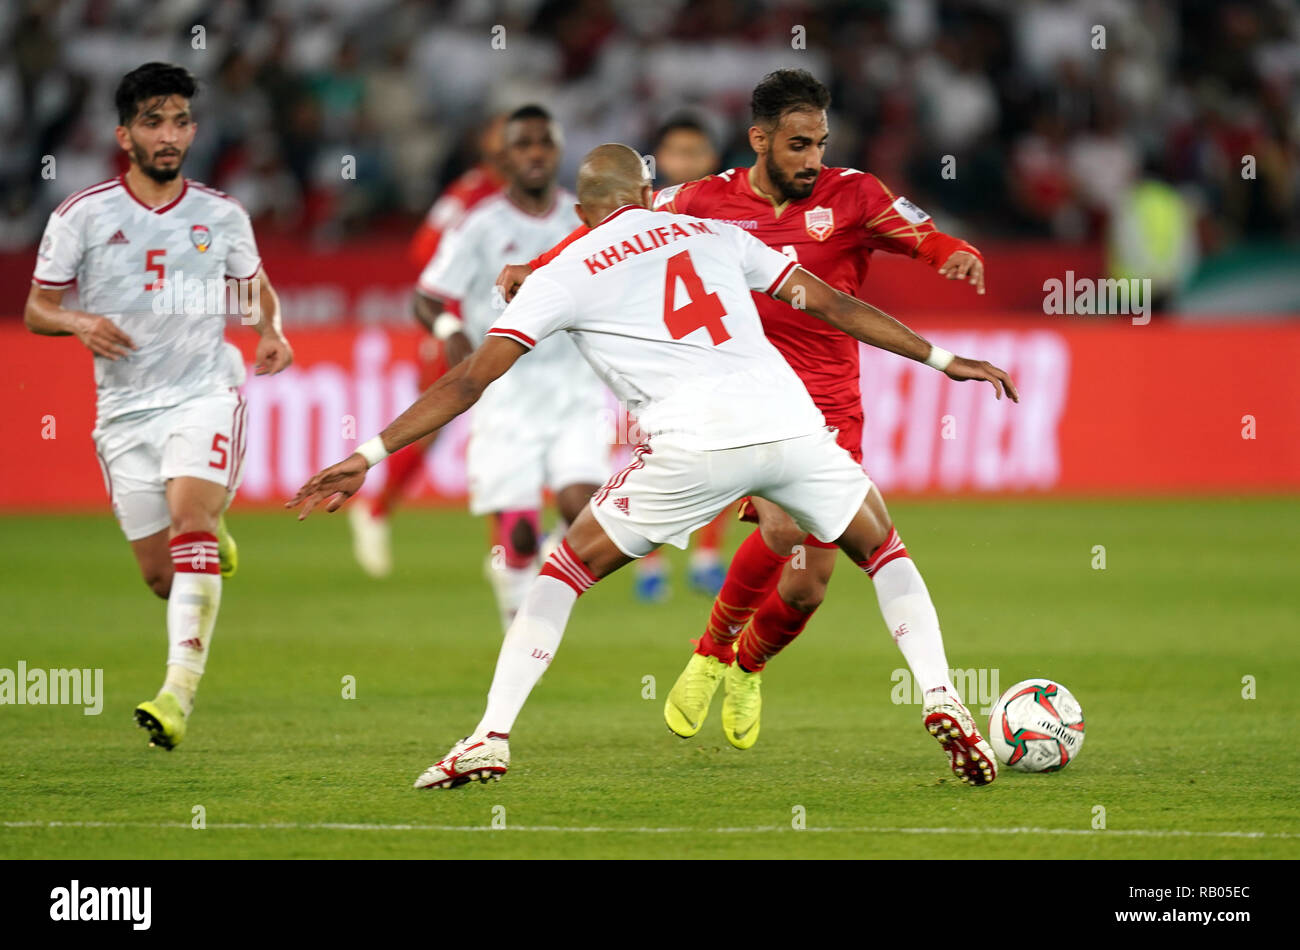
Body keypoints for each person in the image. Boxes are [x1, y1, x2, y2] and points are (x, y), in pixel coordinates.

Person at [288, 144, 1017, 791]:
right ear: (645, 194)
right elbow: (832, 305)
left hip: (692, 444)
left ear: (581, 210)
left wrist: (366, 454)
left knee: (562, 572)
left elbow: (471, 380)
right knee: (884, 551)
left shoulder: (567, 268)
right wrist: (947, 360)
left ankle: (489, 736)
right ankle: (941, 693)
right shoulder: (716, 232)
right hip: (791, 423)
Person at [496, 70, 990, 752]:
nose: (813, 159)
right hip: (734, 393)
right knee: (786, 531)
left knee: (809, 586)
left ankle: (745, 662)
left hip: (826, 398)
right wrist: (539, 263)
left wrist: (953, 253)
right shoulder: (704, 199)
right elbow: (615, 225)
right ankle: (710, 648)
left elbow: (921, 234)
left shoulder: (856, 194)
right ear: (760, 140)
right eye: (798, 145)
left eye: (819, 143)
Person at [24, 62, 293, 750]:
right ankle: (211, 532)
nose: (169, 135)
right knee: (161, 578)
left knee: (189, 517)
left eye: (179, 121)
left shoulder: (221, 214)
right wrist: (80, 323)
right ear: (124, 135)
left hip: (204, 392)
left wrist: (270, 331)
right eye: (153, 122)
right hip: (123, 414)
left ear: (193, 130)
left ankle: (176, 695)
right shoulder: (81, 216)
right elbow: (36, 309)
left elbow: (253, 286)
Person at [367, 104, 608, 631]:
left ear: (558, 150)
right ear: (506, 154)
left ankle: (541, 574)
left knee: (583, 513)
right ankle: (515, 624)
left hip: (574, 390)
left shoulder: (584, 219)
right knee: (518, 537)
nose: (536, 154)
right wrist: (450, 332)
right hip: (506, 395)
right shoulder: (479, 226)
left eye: (544, 143)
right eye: (524, 144)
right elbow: (427, 296)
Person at [348, 115, 507, 578]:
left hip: (506, 324)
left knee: (507, 425)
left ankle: (504, 545)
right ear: (488, 142)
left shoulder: (533, 199)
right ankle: (377, 508)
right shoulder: (469, 193)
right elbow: (425, 252)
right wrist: (450, 315)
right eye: (504, 135)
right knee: (435, 424)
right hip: (458, 323)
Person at [634, 114, 727, 601]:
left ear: (712, 158)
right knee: (656, 454)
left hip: (718, 350)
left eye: (696, 152)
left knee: (733, 449)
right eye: (677, 153)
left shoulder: (731, 212)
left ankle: (707, 557)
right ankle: (648, 563)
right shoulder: (644, 216)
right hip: (656, 354)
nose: (687, 162)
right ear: (659, 161)